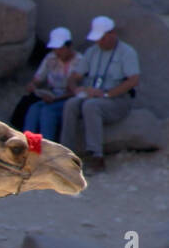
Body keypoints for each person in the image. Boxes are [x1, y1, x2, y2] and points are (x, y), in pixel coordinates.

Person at [59, 15, 140, 174]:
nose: (99, 42)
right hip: (93, 96)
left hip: (117, 99)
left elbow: (133, 81)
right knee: (71, 104)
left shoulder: (126, 52)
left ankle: (96, 157)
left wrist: (106, 94)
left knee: (91, 106)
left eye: (101, 38)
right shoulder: (92, 52)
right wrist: (77, 90)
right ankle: (65, 154)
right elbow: (74, 77)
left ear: (112, 34)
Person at [23, 27, 82, 142]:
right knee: (34, 109)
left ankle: (47, 148)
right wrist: (33, 85)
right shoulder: (51, 58)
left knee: (47, 112)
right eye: (55, 49)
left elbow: (78, 90)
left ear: (69, 46)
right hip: (53, 95)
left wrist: (56, 98)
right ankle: (28, 145)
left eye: (60, 49)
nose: (57, 52)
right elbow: (38, 78)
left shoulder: (80, 61)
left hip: (69, 98)